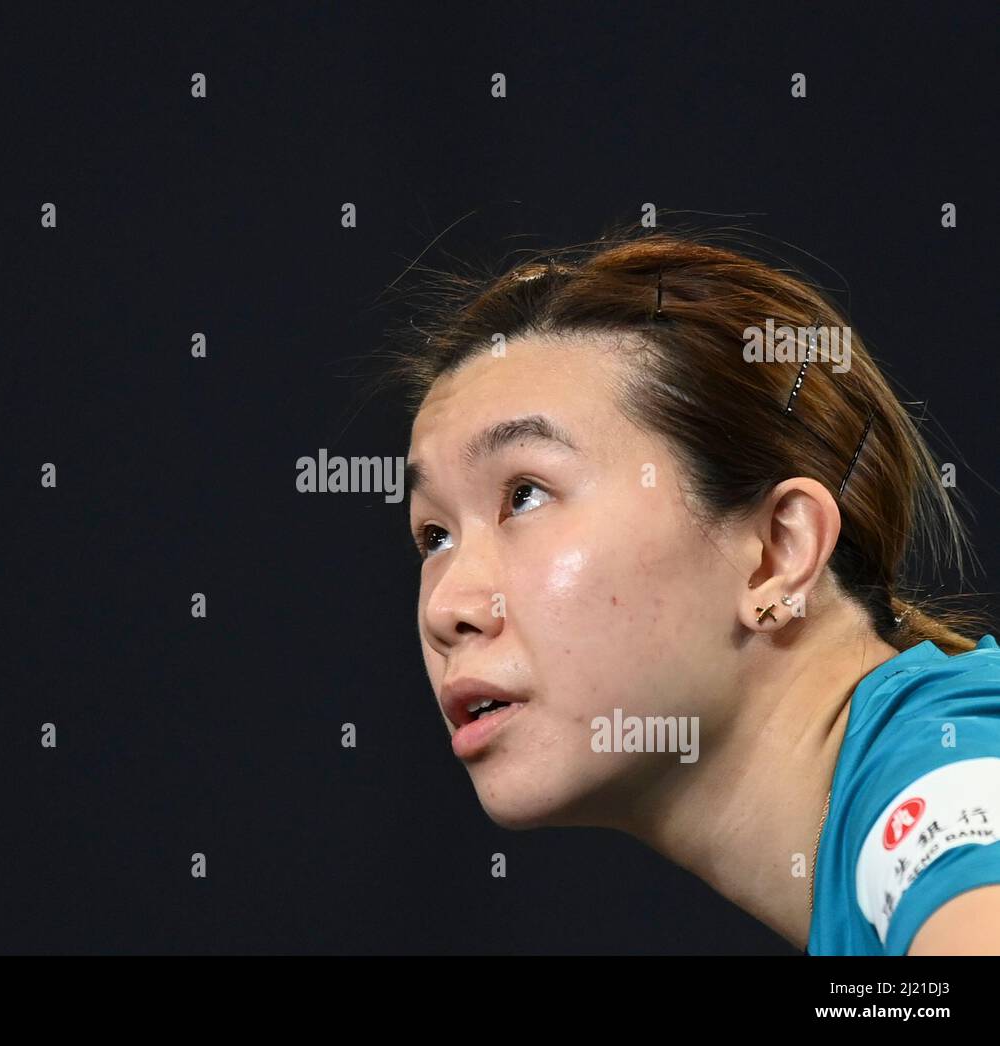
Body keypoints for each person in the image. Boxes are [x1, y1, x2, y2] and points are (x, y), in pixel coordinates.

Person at [385, 227, 1000, 954]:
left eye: (524, 495)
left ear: (777, 554)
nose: (445, 608)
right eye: (435, 538)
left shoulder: (942, 763)